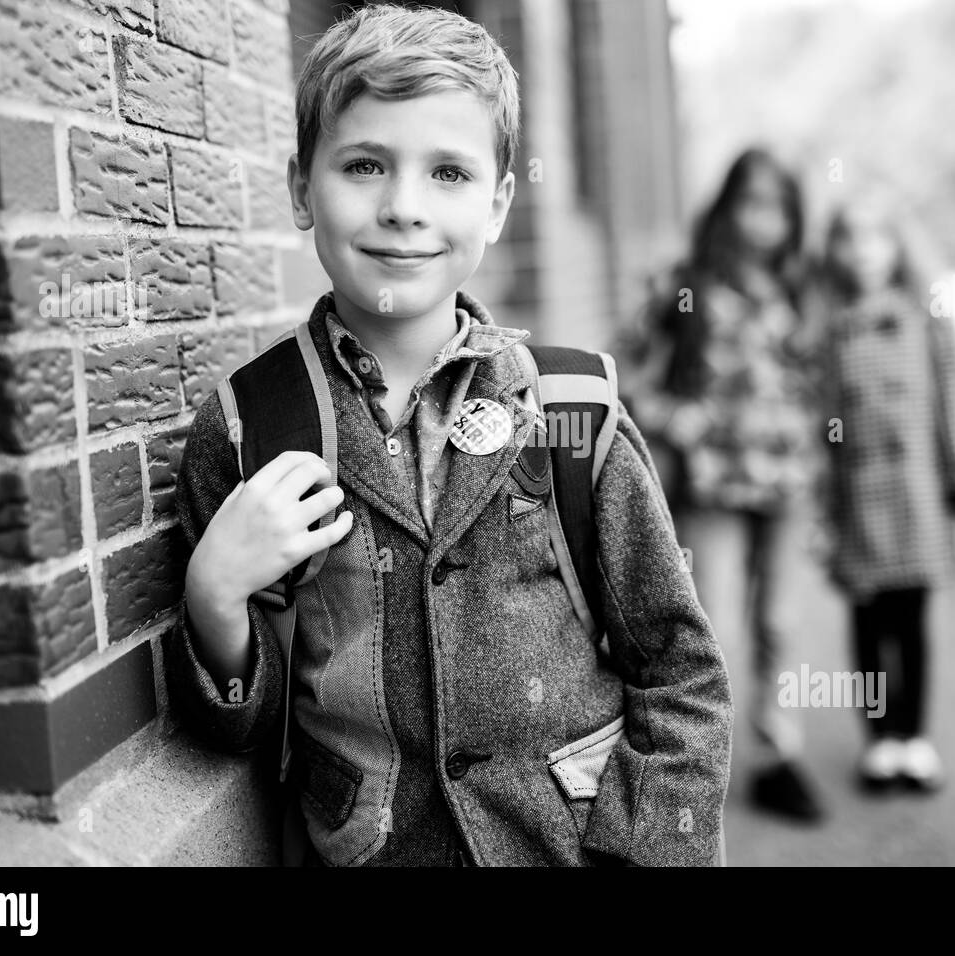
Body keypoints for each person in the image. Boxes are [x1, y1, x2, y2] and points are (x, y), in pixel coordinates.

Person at [165, 4, 732, 866]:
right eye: (364, 165)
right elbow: (248, 726)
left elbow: (679, 670)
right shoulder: (252, 427)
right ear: (299, 189)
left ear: (499, 203)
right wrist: (214, 603)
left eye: (449, 174)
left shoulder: (572, 406)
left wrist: (643, 852)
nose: (403, 208)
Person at [618, 149, 827, 822]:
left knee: (779, 621)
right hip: (715, 487)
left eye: (778, 207)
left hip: (790, 484)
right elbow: (625, 370)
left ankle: (774, 753)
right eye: (751, 203)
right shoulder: (684, 284)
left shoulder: (802, 288)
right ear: (727, 206)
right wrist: (676, 417)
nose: (763, 222)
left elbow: (824, 379)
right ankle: (700, 759)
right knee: (715, 623)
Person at [816, 197, 955, 792]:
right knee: (867, 622)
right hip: (856, 502)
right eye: (850, 238)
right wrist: (823, 512)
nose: (863, 250)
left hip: (917, 496)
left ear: (898, 245)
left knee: (911, 621)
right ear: (834, 250)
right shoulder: (829, 327)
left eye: (876, 236)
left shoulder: (926, 319)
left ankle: (914, 737)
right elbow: (823, 429)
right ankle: (879, 740)